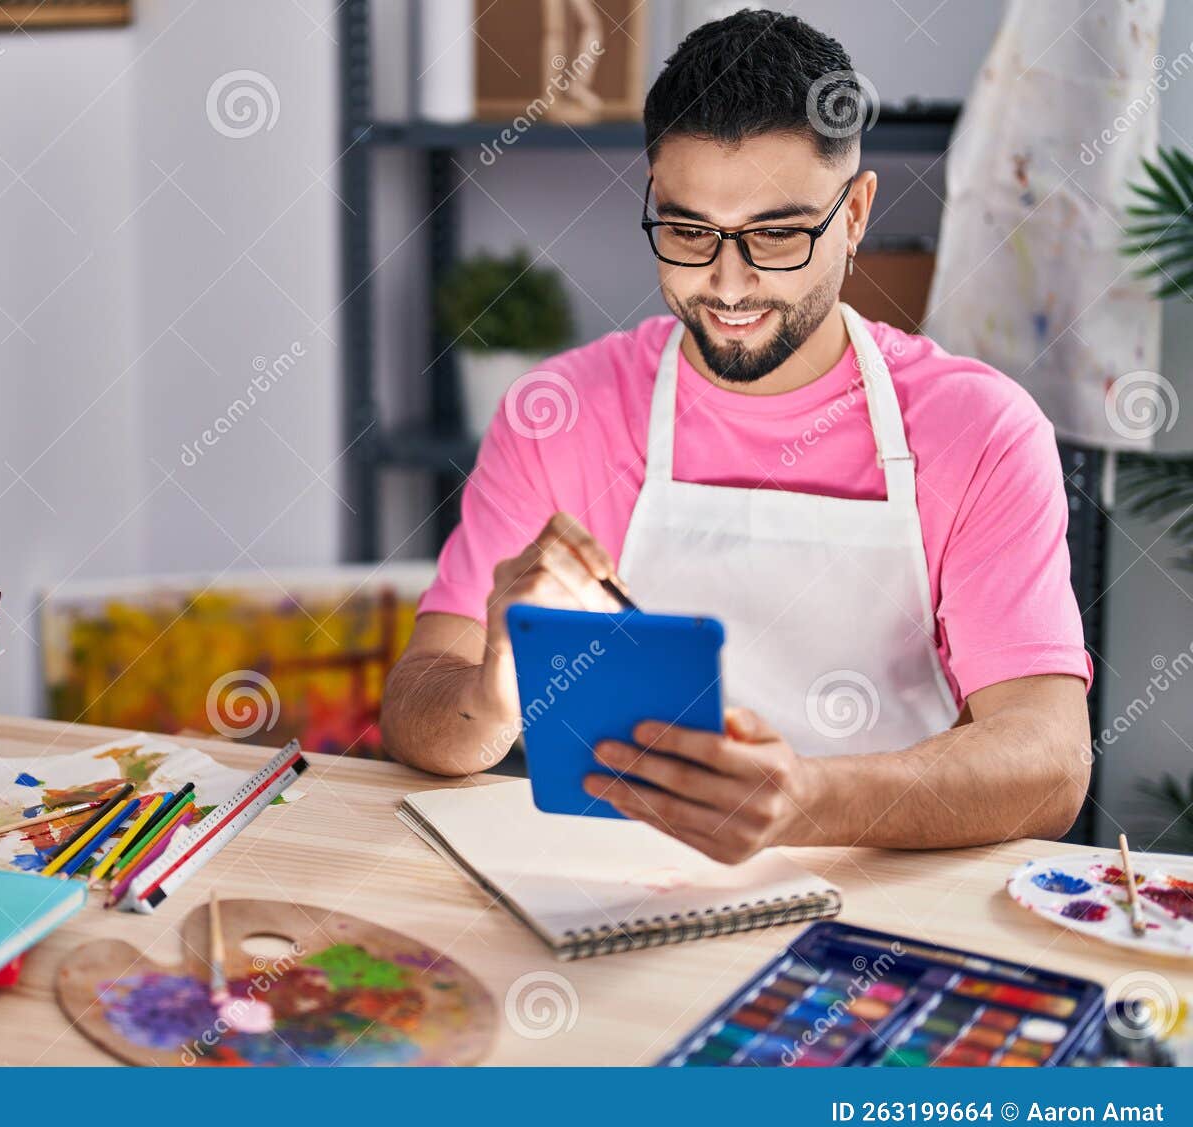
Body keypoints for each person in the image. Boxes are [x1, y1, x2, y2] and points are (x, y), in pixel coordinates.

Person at [380, 9, 1093, 862]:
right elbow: (417, 706)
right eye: (688, 231)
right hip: (626, 895)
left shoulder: (978, 428)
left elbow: (1051, 761)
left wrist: (811, 801)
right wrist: (491, 696)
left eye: (778, 235)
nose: (728, 282)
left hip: (882, 898)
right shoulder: (561, 410)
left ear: (856, 213)